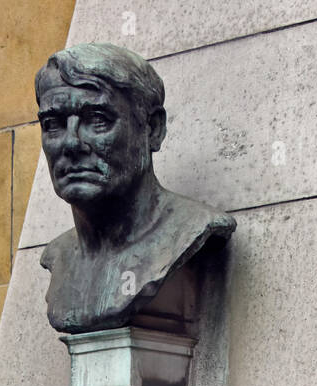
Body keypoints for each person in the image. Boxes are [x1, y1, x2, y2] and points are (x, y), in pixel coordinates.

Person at [35, 42, 235, 333]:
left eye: (98, 119)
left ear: (152, 129)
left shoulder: (189, 229)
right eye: (53, 124)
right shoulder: (58, 255)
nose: (71, 143)